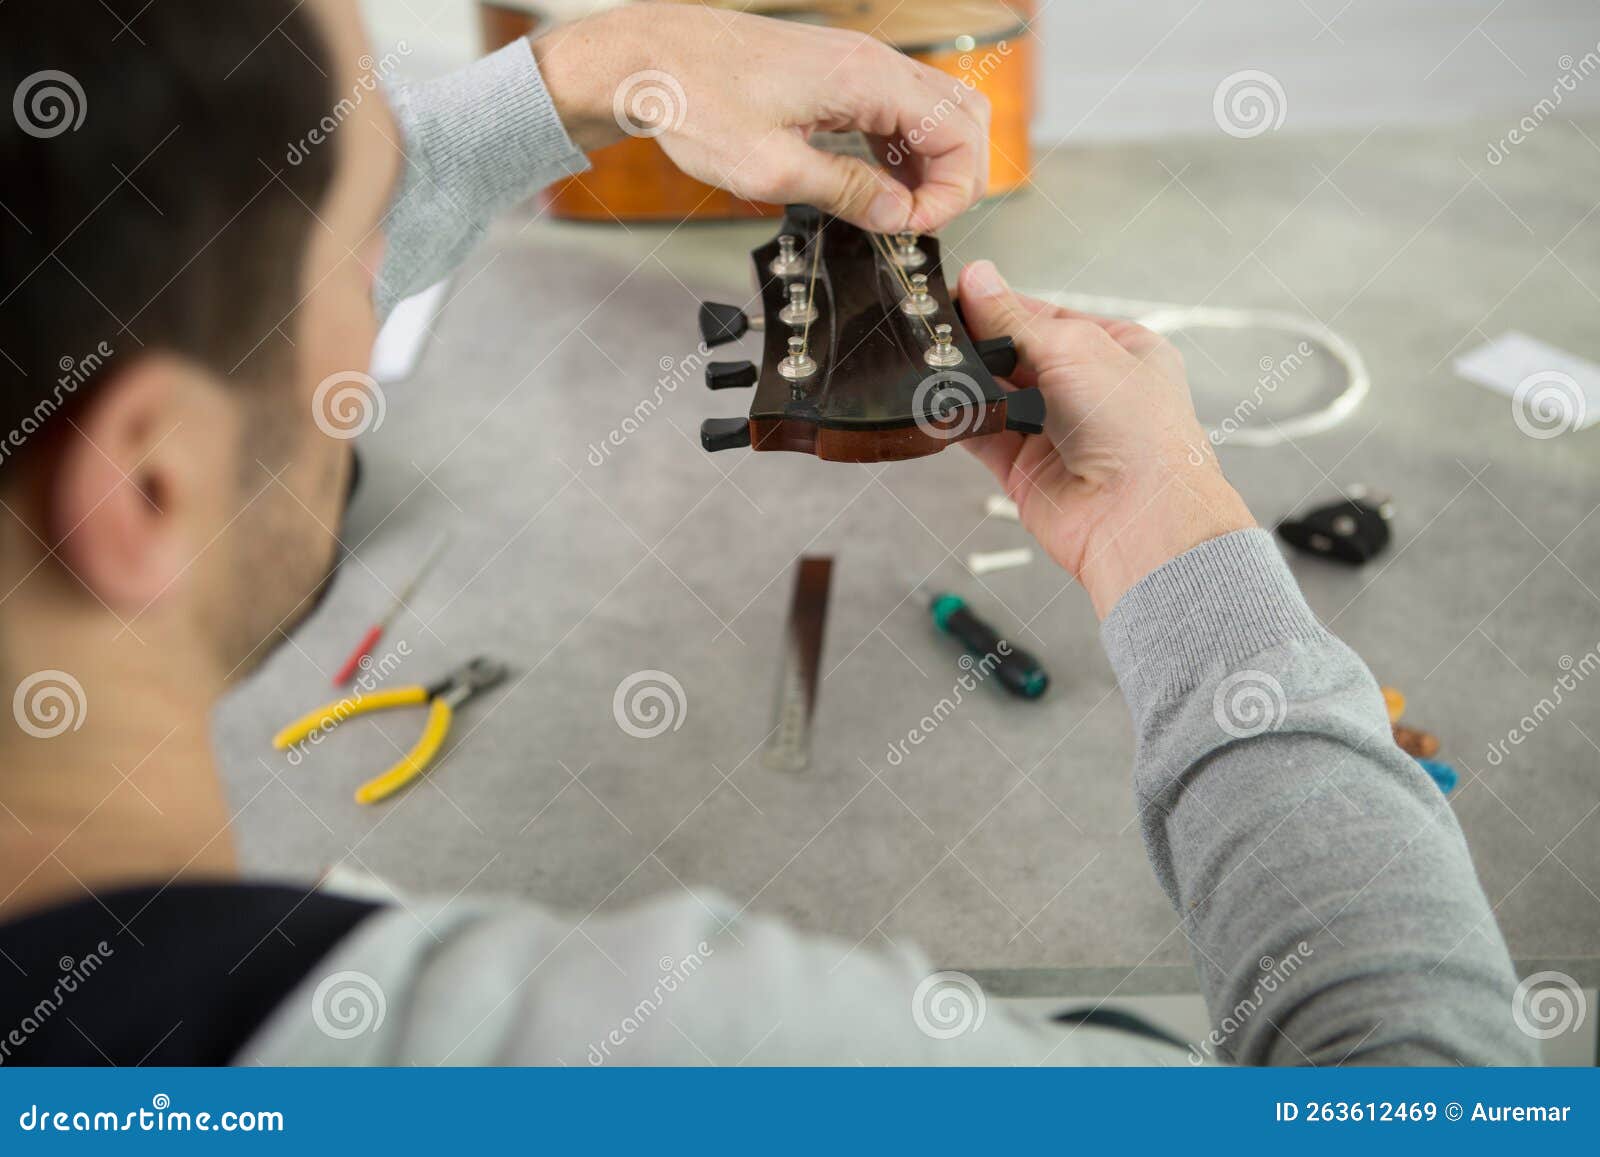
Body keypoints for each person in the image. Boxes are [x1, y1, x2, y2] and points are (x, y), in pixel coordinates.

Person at [0, 0, 1533, 1066]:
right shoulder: (652, 1059)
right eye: (367, 237)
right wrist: (1181, 552)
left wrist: (594, 71)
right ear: (145, 485)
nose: (390, 282)